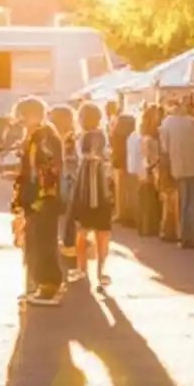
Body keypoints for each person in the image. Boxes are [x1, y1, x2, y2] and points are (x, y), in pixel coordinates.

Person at [12, 96, 65, 306]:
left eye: (23, 115)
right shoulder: (39, 135)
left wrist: (38, 199)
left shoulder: (43, 137)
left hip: (42, 199)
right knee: (36, 242)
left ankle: (48, 285)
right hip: (37, 199)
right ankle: (40, 284)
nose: (20, 120)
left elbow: (47, 171)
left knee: (44, 242)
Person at [71, 102, 113, 290]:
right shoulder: (102, 135)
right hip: (102, 188)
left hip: (84, 189)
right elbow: (103, 157)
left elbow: (85, 156)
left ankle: (82, 268)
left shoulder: (84, 137)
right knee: (102, 232)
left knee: (82, 230)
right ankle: (101, 271)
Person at [160, 100, 194, 246]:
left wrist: (165, 170)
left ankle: (184, 236)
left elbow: (164, 150)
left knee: (183, 203)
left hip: (178, 168)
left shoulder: (167, 123)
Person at [49, 105, 79, 262]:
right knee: (68, 214)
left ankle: (66, 245)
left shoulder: (65, 138)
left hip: (64, 179)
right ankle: (68, 245)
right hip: (67, 178)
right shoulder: (71, 137)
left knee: (62, 213)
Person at [136, 106, 162, 237]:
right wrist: (153, 165)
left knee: (148, 199)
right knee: (149, 199)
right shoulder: (148, 138)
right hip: (150, 170)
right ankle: (148, 227)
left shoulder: (146, 136)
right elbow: (147, 156)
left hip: (147, 169)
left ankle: (147, 227)